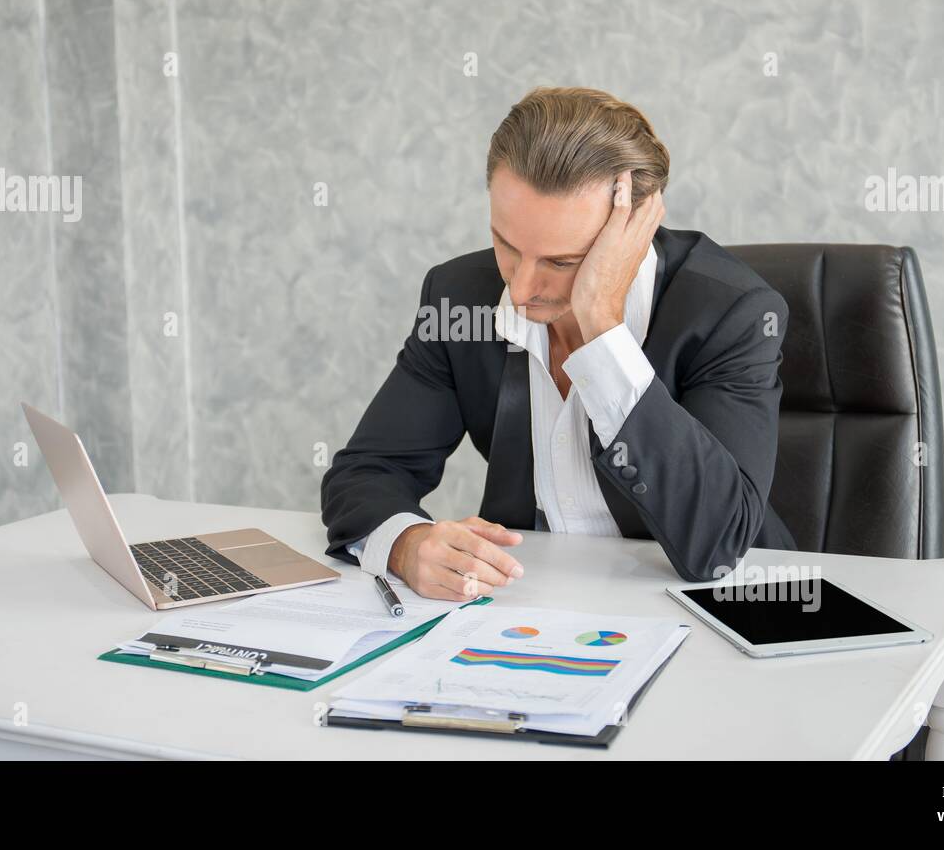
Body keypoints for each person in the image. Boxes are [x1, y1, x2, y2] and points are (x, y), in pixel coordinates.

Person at [321, 86, 796, 600]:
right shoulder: (459, 297)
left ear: (632, 231)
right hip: (536, 603)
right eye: (506, 244)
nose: (521, 289)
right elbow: (368, 471)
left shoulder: (733, 313)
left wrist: (603, 329)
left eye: (562, 262)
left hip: (726, 607)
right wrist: (406, 544)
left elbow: (719, 544)